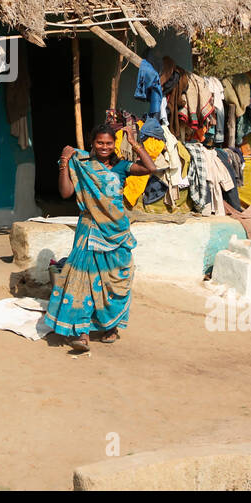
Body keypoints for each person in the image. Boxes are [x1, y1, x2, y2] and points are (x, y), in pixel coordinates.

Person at [45, 120, 157, 352]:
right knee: (83, 280)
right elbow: (66, 192)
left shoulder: (122, 167)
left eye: (109, 143)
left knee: (115, 279)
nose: (104, 147)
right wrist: (64, 162)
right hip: (89, 228)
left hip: (116, 231)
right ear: (93, 144)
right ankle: (82, 332)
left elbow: (150, 169)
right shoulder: (83, 164)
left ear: (114, 144)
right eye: (100, 142)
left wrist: (135, 144)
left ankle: (110, 325)